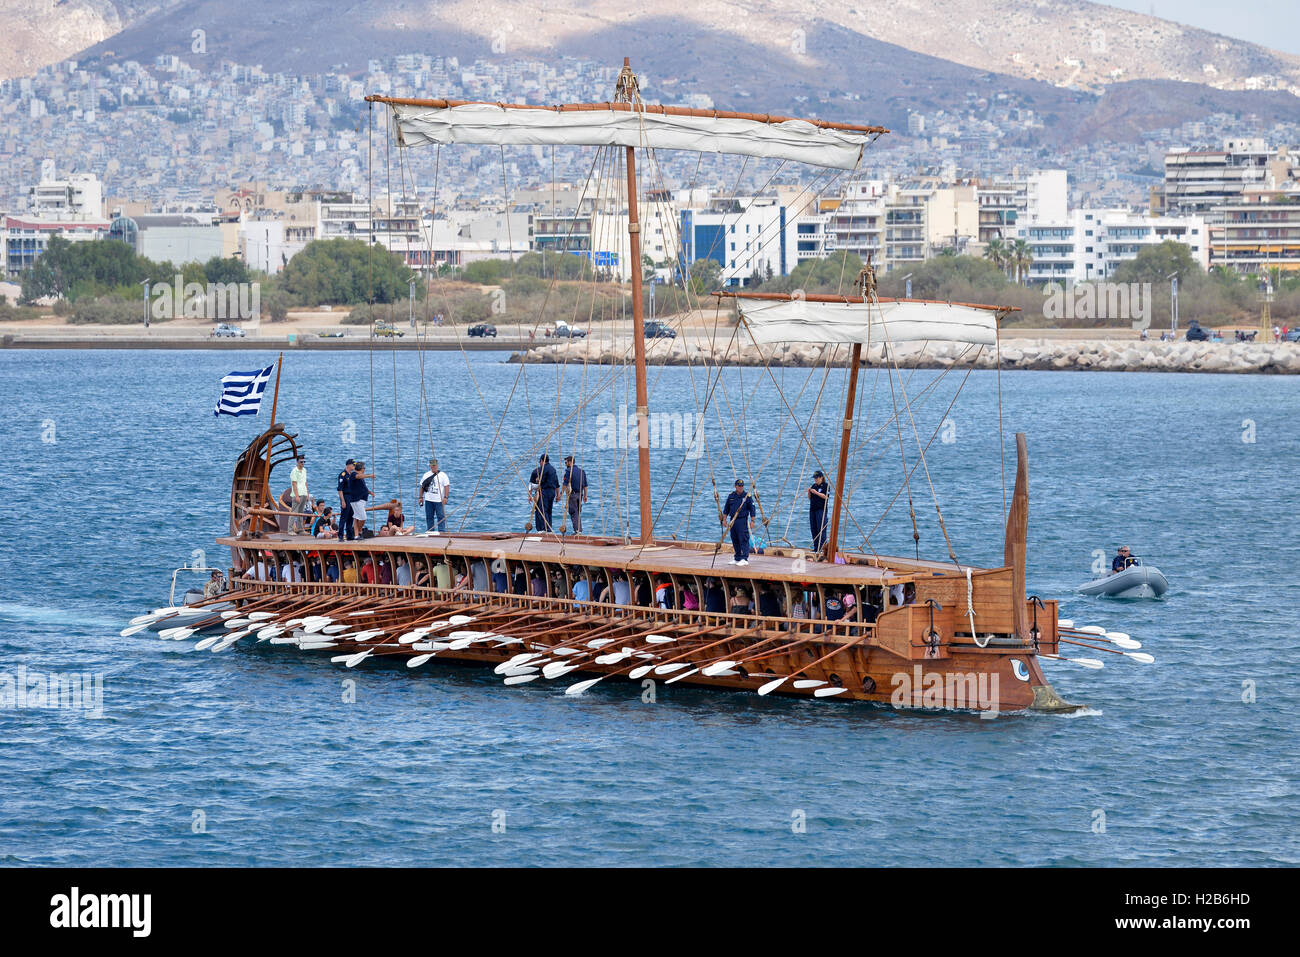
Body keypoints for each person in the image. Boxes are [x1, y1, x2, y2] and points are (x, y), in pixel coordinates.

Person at [721, 479, 756, 565]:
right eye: (739, 486)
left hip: (742, 520)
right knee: (734, 538)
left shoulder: (747, 497)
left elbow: (752, 510)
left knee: (743, 538)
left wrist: (752, 521)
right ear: (735, 486)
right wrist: (724, 520)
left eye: (742, 486)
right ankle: (737, 557)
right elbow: (726, 509)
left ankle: (744, 558)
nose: (740, 487)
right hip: (733, 520)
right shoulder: (731, 496)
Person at [529, 454, 559, 532]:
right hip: (552, 492)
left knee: (542, 510)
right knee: (549, 510)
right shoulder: (553, 469)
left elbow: (540, 480)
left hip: (545, 491)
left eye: (540, 461)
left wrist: (537, 480)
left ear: (542, 461)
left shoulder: (543, 469)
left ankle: (543, 528)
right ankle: (549, 528)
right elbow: (557, 483)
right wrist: (558, 495)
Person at [419, 458, 450, 533]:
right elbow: (422, 486)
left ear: (437, 465)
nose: (433, 467)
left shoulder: (443, 475)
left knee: (441, 516)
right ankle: (430, 531)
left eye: (435, 465)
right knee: (429, 517)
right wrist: (420, 497)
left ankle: (442, 531)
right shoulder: (426, 475)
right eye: (432, 465)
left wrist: (445, 497)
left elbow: (447, 486)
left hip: (439, 500)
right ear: (430, 466)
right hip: (428, 499)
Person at [562, 454, 589, 533]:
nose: (565, 464)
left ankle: (577, 530)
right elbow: (585, 485)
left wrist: (560, 494)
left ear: (570, 462)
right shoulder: (582, 471)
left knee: (573, 512)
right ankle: (579, 530)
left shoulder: (568, 471)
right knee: (578, 512)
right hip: (580, 494)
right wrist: (585, 495)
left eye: (566, 463)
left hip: (572, 495)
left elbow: (565, 484)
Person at [349, 461, 374, 540]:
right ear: (360, 469)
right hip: (356, 500)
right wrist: (369, 476)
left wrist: (369, 492)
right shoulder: (353, 474)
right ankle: (359, 531)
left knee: (356, 518)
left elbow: (362, 486)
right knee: (363, 517)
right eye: (364, 468)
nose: (364, 469)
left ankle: (356, 535)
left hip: (361, 500)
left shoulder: (361, 476)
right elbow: (357, 476)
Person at [808, 470, 830, 556]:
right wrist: (809, 492)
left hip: (821, 509)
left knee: (821, 528)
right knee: (814, 528)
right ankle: (816, 547)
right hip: (812, 509)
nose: (815, 480)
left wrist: (816, 492)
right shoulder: (814, 486)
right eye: (814, 478)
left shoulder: (825, 486)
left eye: (817, 478)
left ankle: (822, 548)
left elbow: (826, 497)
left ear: (821, 477)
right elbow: (810, 498)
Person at [288, 454, 310, 534]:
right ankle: (290, 530)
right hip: (297, 494)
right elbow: (294, 484)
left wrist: (307, 493)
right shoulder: (294, 471)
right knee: (294, 512)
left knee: (301, 512)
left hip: (303, 492)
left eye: (304, 462)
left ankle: (300, 529)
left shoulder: (304, 470)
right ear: (297, 462)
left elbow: (305, 482)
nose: (303, 463)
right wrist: (297, 496)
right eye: (301, 462)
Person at [336, 459, 356, 541]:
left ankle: (349, 535)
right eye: (353, 465)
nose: (354, 466)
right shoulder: (343, 475)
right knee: (344, 516)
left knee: (351, 516)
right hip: (345, 496)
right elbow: (340, 489)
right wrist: (343, 501)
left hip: (352, 497)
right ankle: (340, 535)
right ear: (348, 465)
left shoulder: (351, 474)